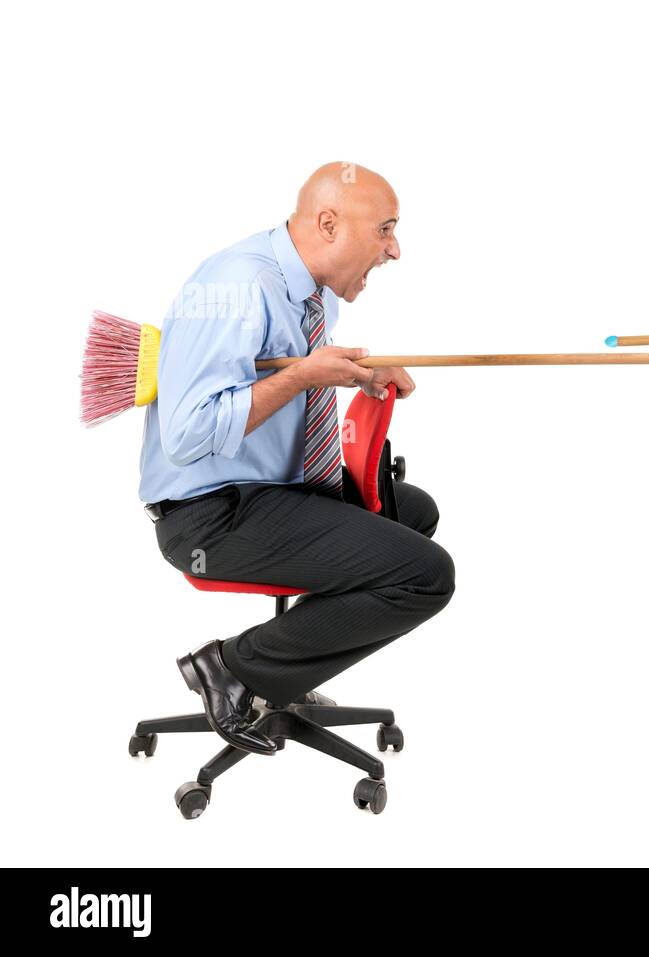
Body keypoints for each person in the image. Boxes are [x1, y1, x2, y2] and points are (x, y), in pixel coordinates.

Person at [140, 162, 454, 755]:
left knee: (410, 514)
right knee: (425, 575)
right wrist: (305, 376)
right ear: (328, 223)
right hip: (210, 513)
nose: (395, 250)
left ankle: (283, 674)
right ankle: (233, 670)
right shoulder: (237, 286)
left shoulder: (311, 293)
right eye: (385, 230)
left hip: (270, 490)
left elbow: (283, 381)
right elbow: (186, 435)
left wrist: (355, 372)